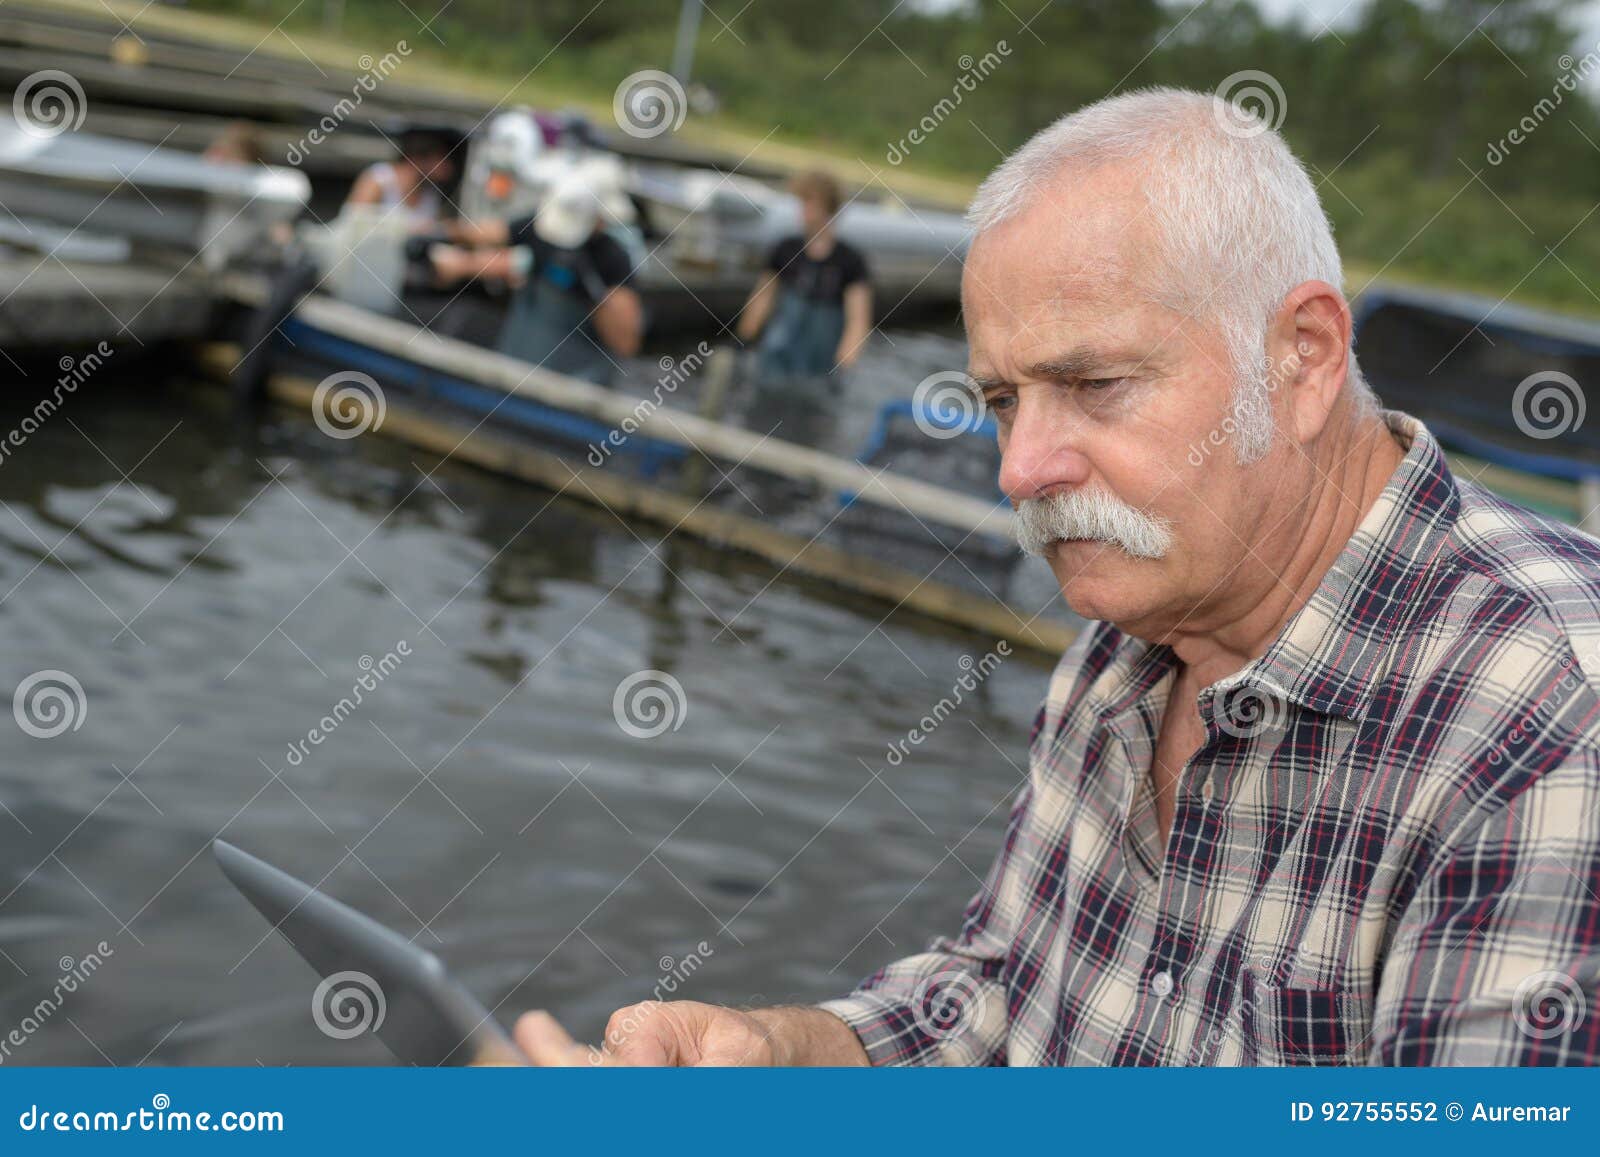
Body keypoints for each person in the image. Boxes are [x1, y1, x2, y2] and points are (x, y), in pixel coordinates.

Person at [513, 88, 1600, 1066]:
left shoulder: (1550, 726)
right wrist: (789, 1056)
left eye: (1096, 382)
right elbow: (1009, 990)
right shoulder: (1137, 625)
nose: (1021, 469)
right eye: (1001, 400)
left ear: (1304, 357)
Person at [429, 171, 643, 384]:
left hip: (575, 386)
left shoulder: (612, 259)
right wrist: (437, 233)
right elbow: (489, 234)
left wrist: (595, 296)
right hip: (517, 368)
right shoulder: (542, 228)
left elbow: (625, 343)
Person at [736, 170, 872, 383]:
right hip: (777, 356)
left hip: (820, 365)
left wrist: (845, 363)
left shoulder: (850, 261)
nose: (802, 210)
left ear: (828, 207)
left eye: (809, 203)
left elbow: (858, 319)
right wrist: (744, 339)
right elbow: (762, 297)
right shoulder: (784, 249)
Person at [343, 125, 458, 231]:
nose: (449, 167)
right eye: (443, 158)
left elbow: (436, 229)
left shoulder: (431, 193)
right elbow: (354, 222)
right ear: (418, 157)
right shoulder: (380, 178)